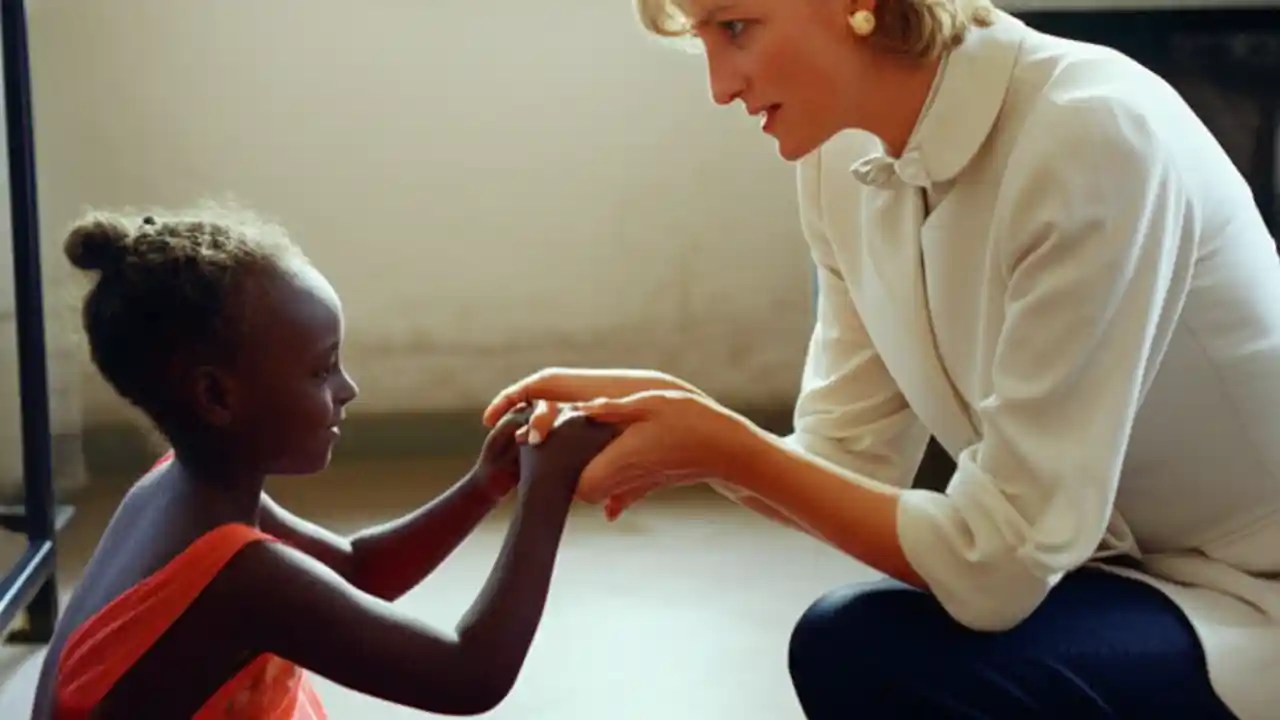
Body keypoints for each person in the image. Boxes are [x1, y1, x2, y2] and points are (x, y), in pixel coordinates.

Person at [484, 0, 1280, 717]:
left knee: (864, 650)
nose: (721, 88)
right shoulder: (840, 159)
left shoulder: (1091, 131)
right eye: (705, 42)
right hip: (1121, 572)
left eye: (736, 29)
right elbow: (847, 457)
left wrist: (721, 445)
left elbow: (998, 566)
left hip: (1254, 591)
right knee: (861, 647)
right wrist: (664, 433)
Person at [31, 207, 616, 719]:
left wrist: (483, 487)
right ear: (216, 397)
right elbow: (471, 675)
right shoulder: (241, 578)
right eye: (322, 369)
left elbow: (357, 569)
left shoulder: (175, 487)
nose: (347, 388)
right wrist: (551, 485)